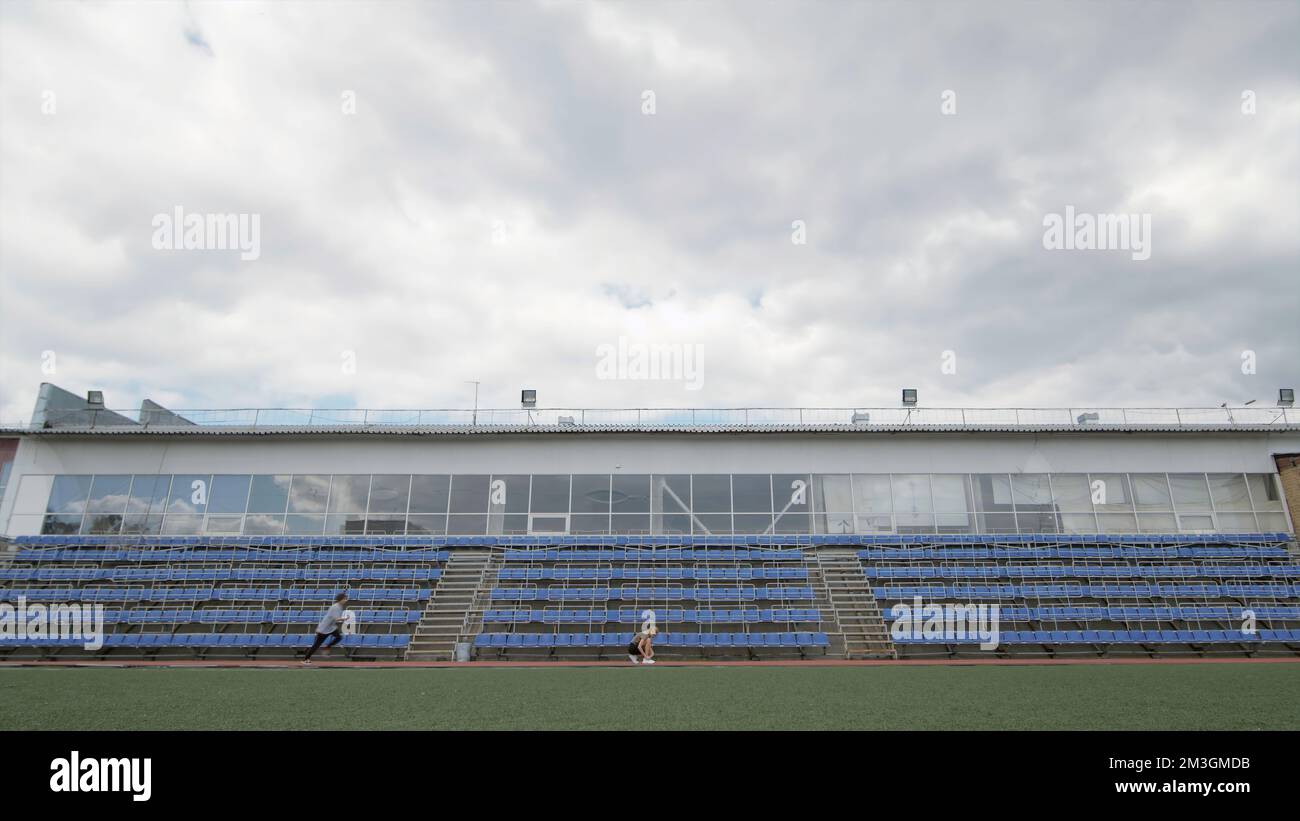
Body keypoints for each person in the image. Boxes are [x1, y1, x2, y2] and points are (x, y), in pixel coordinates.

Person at [303, 592, 349, 665]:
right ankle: (306, 659)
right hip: (324, 628)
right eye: (344, 599)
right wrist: (345, 619)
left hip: (331, 627)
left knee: (339, 637)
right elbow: (336, 619)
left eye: (346, 599)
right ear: (340, 599)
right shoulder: (335, 607)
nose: (346, 600)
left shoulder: (340, 607)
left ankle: (327, 647)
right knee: (316, 645)